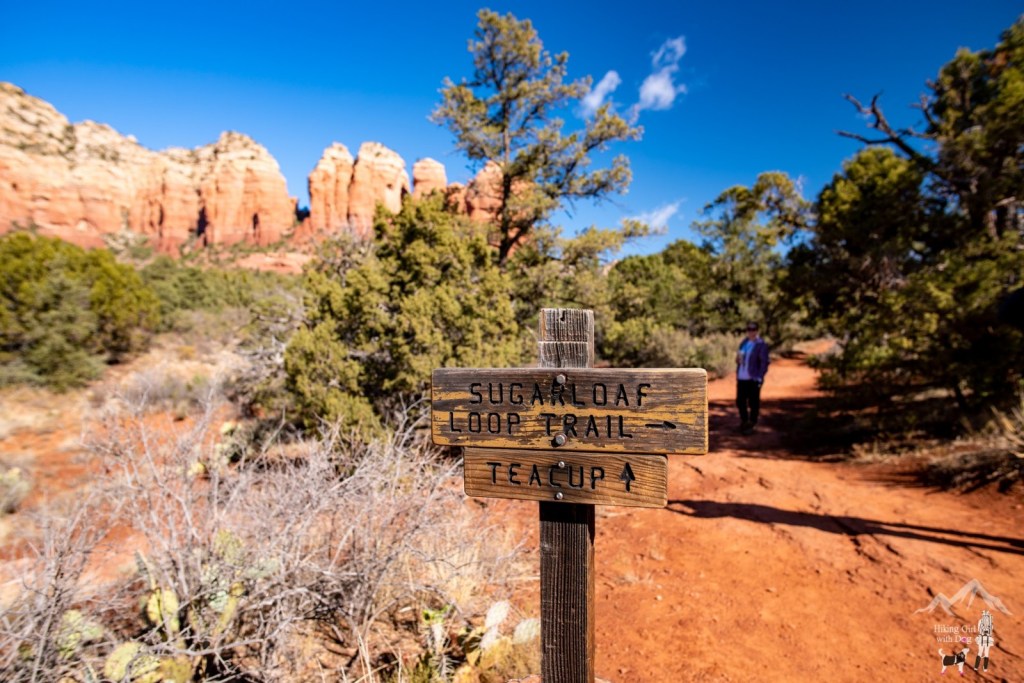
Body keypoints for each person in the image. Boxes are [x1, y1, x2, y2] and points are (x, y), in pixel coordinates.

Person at [736, 322, 769, 434]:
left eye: (754, 329)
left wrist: (760, 377)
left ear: (757, 330)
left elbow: (764, 362)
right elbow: (739, 358)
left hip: (753, 378)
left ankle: (752, 423)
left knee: (753, 402)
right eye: (749, 329)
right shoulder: (744, 342)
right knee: (740, 401)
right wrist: (738, 360)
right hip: (741, 377)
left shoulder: (761, 344)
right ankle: (744, 421)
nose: (751, 332)